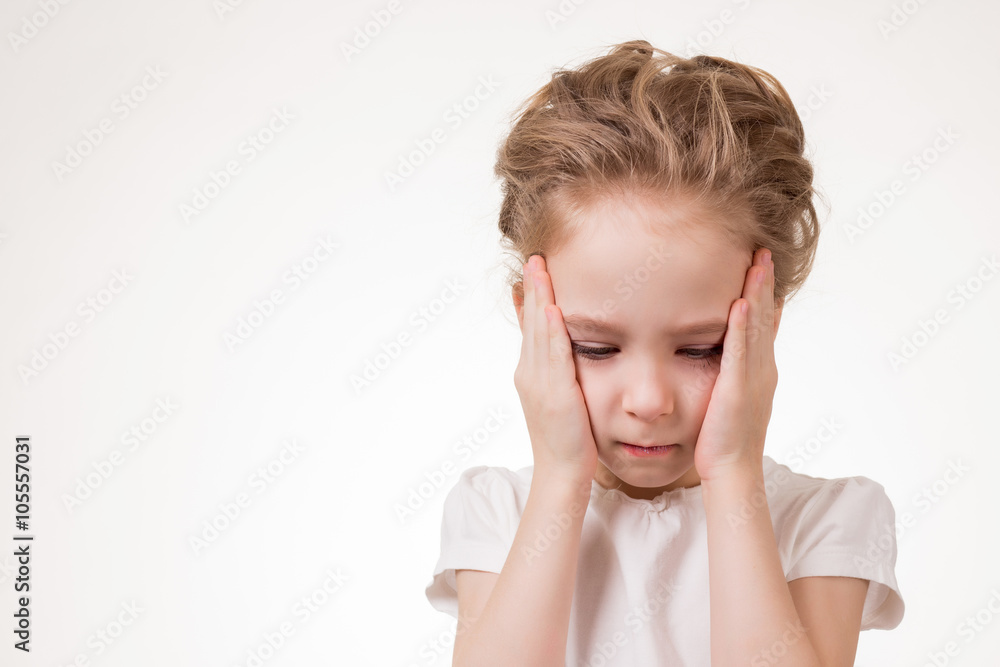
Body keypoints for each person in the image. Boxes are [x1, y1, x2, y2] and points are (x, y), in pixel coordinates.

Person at [424, 39, 904, 666]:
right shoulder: (498, 513)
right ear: (532, 322)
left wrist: (732, 471)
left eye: (701, 349)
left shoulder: (826, 520)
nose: (649, 401)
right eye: (596, 347)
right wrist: (561, 478)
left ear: (763, 328)